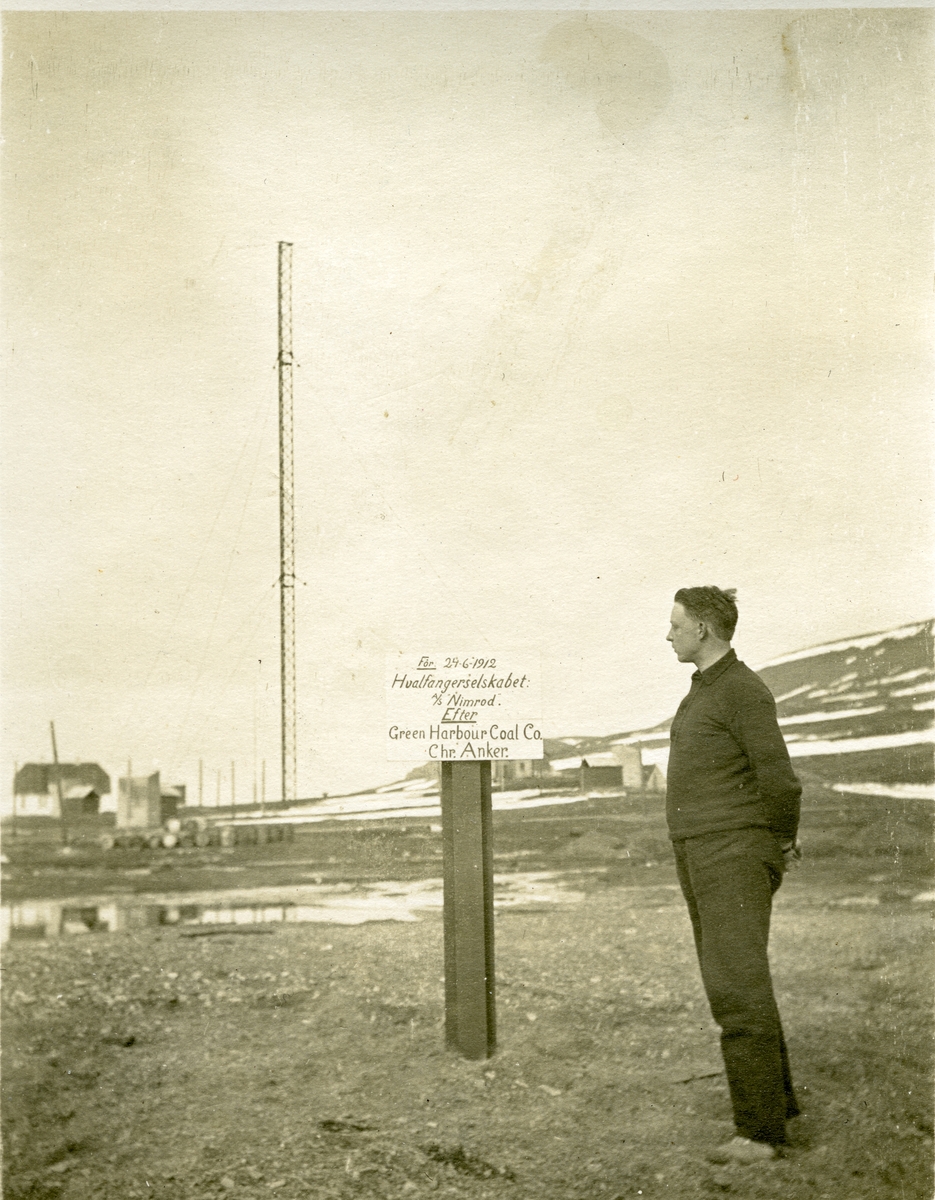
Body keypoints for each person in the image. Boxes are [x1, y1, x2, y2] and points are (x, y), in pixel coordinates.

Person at [665, 586, 802, 1165]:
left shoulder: (743, 689)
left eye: (674, 625)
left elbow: (781, 780)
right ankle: (779, 1107)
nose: (667, 634)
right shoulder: (706, 689)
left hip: (732, 855)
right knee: (736, 980)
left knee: (735, 986)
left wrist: (778, 842)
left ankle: (760, 1134)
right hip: (703, 851)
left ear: (703, 629)